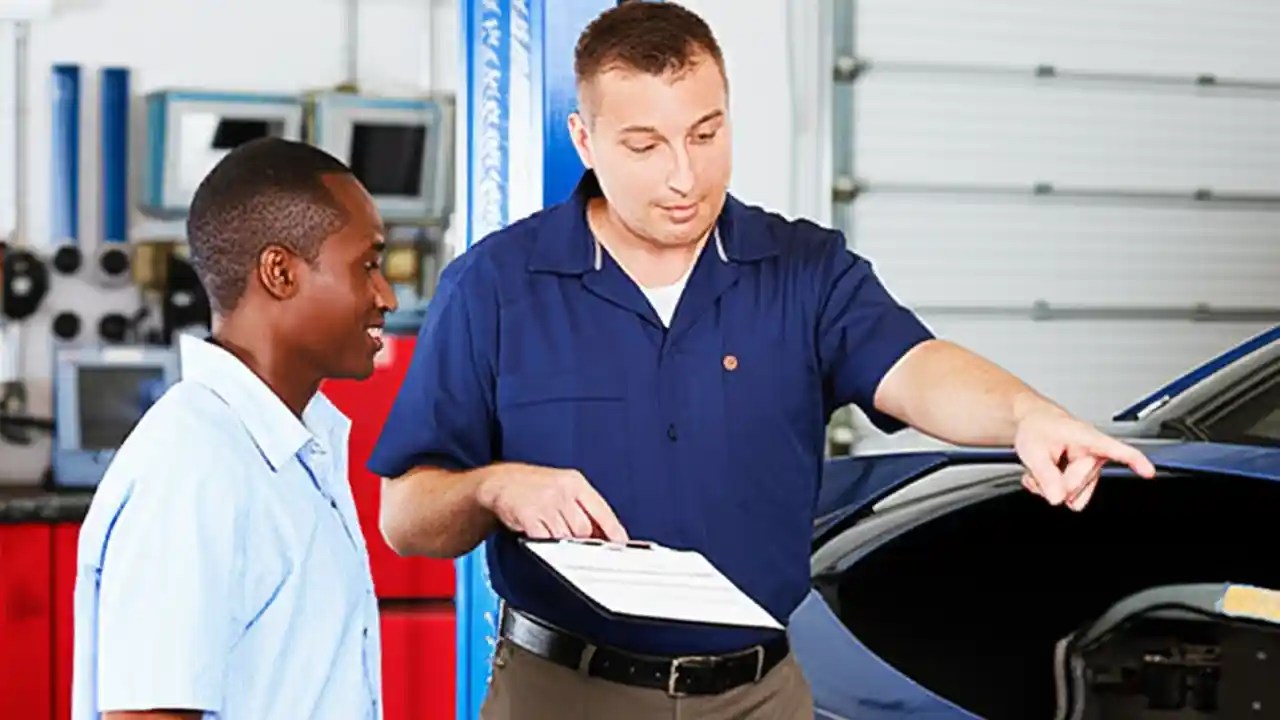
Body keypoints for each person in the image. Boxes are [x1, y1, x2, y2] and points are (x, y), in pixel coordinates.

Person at [367, 2, 1157, 718]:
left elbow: (917, 367)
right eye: (644, 145)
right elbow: (405, 519)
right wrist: (495, 487)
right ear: (585, 138)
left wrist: (1025, 414)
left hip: (761, 697)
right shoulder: (497, 286)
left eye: (706, 134)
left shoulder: (804, 271)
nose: (685, 176)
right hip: (562, 695)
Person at [71, 137, 397, 720]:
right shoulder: (195, 464)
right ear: (279, 272)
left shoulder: (297, 442)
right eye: (367, 266)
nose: (386, 296)